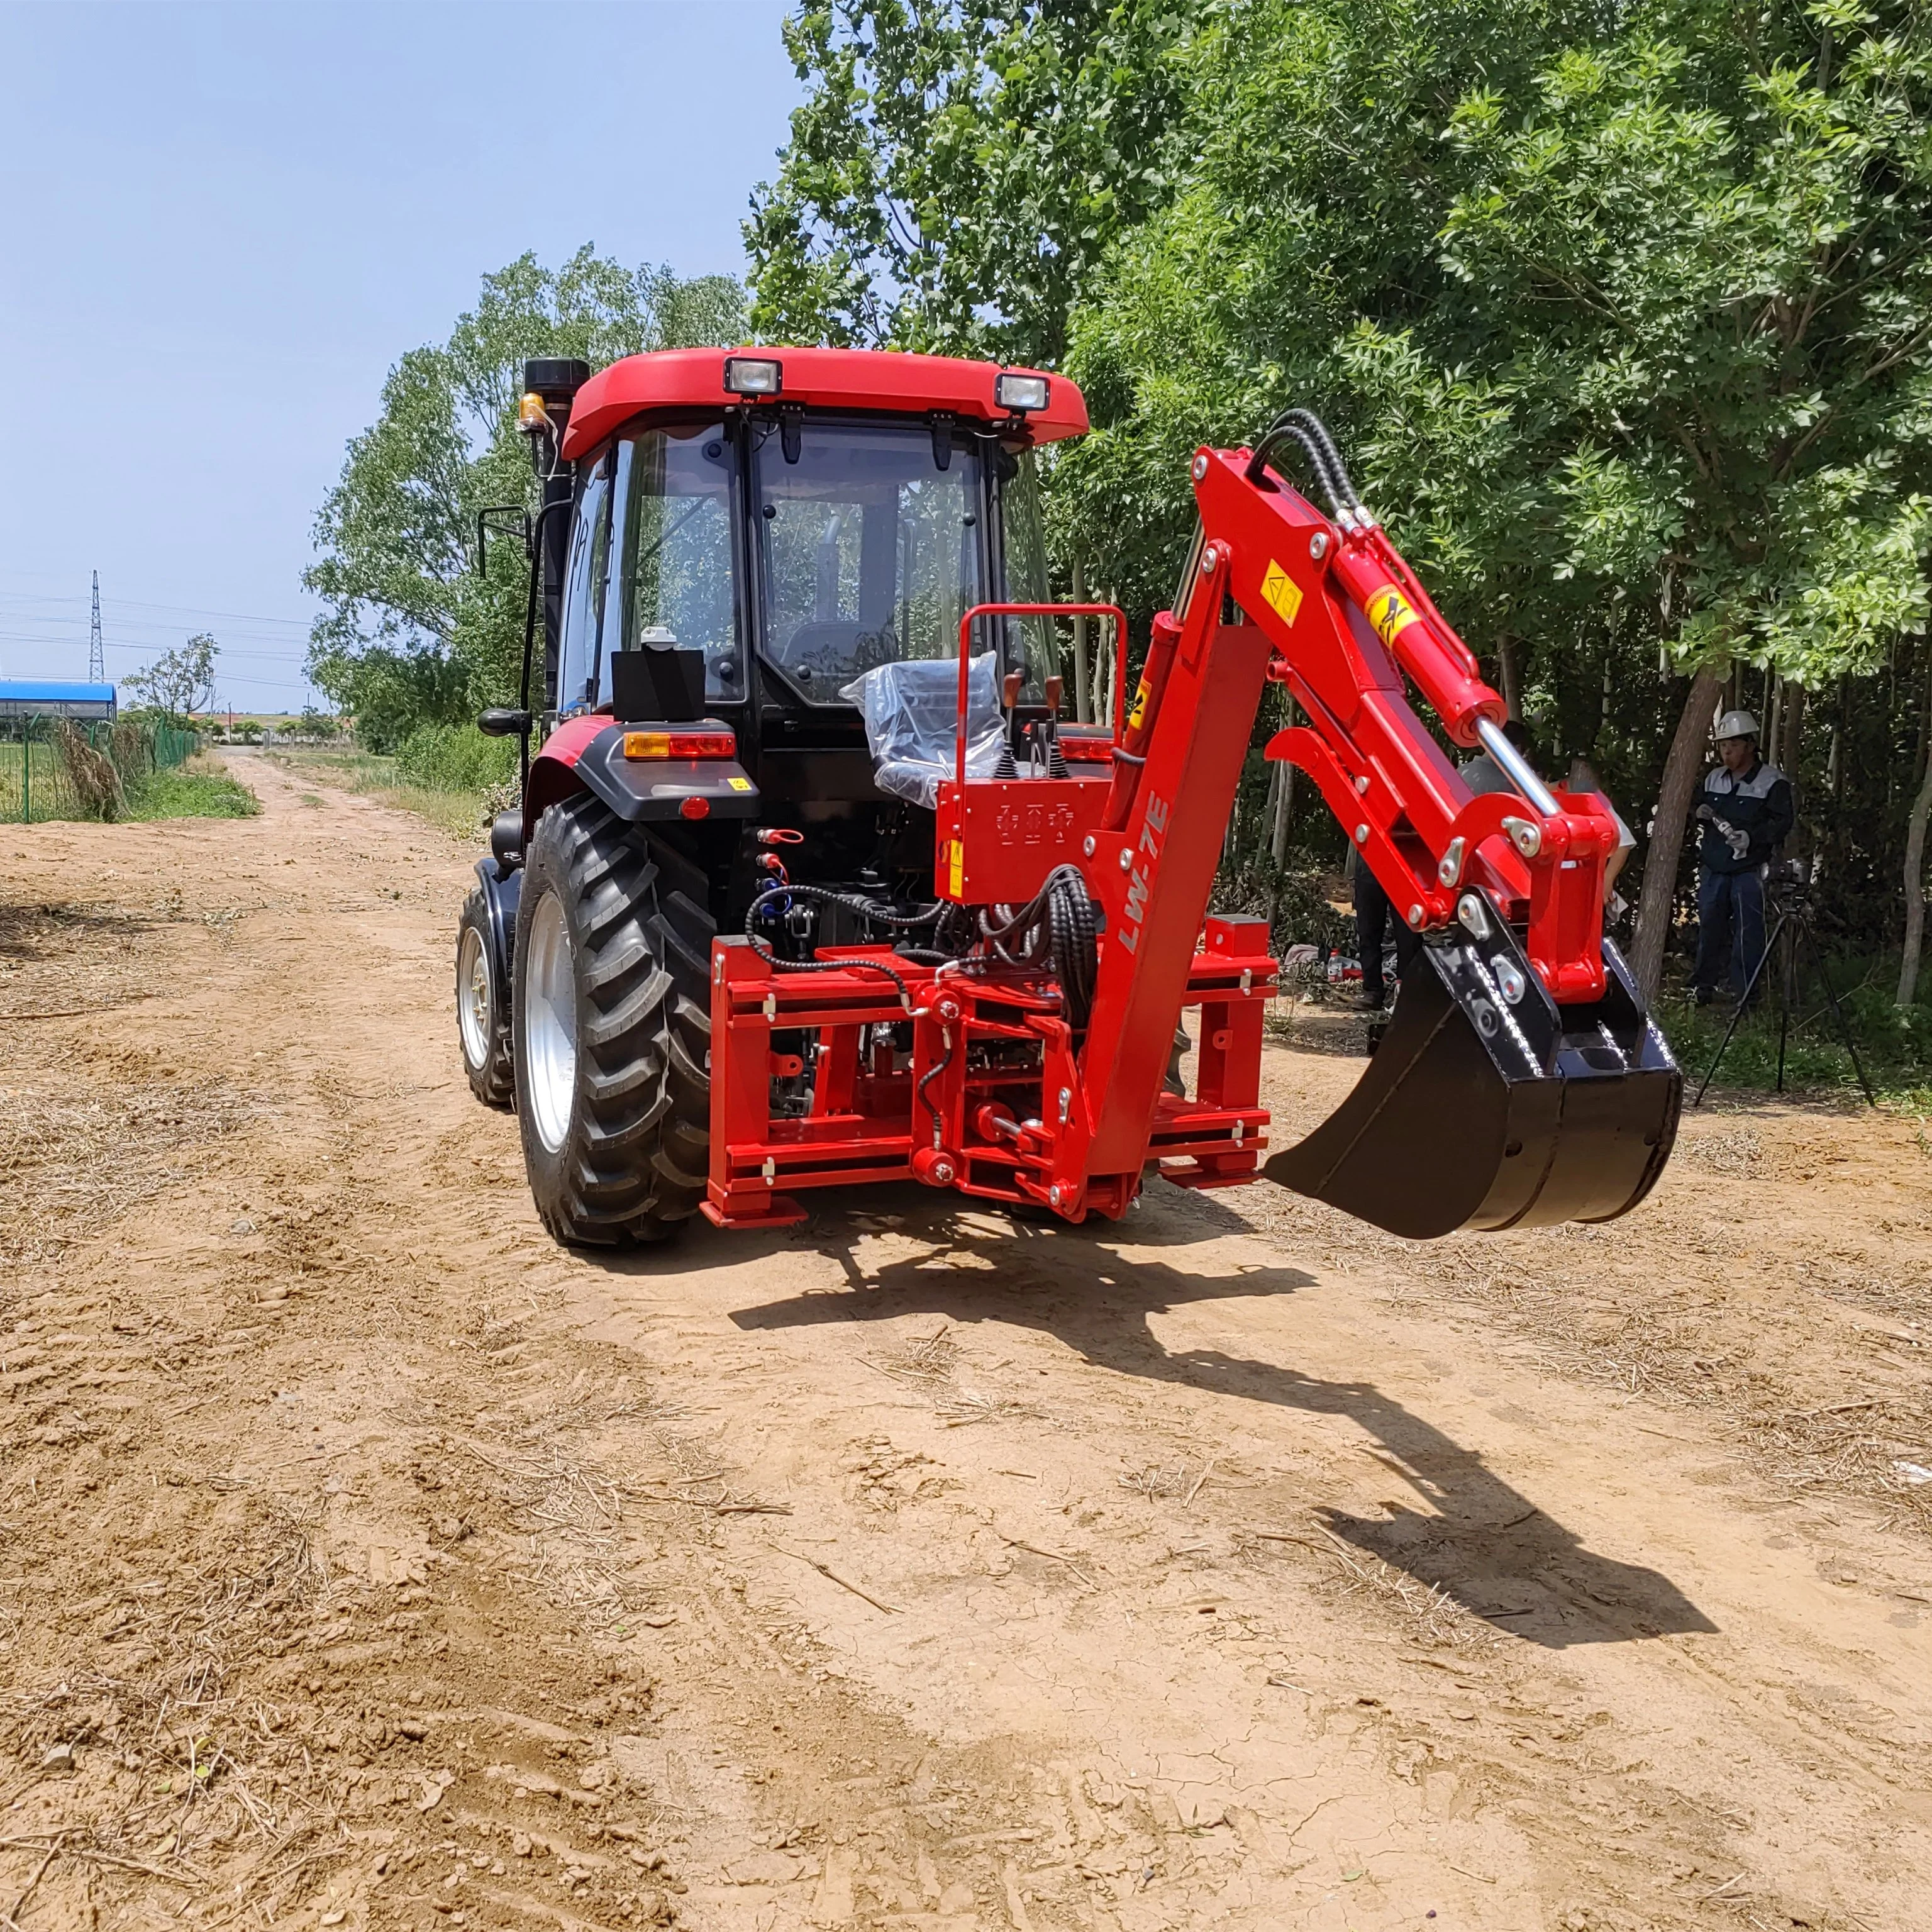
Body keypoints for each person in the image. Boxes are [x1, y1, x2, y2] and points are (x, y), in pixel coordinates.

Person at [1690, 709, 1794, 1006]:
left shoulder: (1772, 782)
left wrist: (1753, 837)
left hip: (1749, 869)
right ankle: (1703, 987)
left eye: (1733, 745)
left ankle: (1747, 993)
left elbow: (1782, 822)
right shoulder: (1713, 779)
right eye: (1723, 745)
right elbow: (1695, 804)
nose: (1727, 751)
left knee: (1749, 932)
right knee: (1709, 926)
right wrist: (1697, 813)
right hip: (1714, 868)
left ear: (1750, 745)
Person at [1350, 848, 1421, 1009]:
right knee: (1368, 932)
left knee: (1409, 936)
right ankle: (1372, 990)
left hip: (1406, 865)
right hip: (1370, 864)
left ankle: (1406, 993)